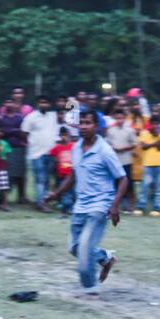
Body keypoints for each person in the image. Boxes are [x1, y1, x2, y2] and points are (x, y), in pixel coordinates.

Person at [43, 111, 127, 295]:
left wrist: (114, 206)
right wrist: (55, 194)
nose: (83, 126)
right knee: (74, 247)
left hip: (100, 205)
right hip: (81, 205)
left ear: (96, 126)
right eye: (81, 123)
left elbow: (123, 179)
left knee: (85, 248)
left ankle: (90, 289)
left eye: (88, 123)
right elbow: (73, 176)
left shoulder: (104, 150)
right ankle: (105, 258)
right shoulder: (76, 147)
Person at [22, 95, 59, 210]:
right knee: (40, 179)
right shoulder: (31, 117)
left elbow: (71, 110)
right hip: (36, 153)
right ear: (37, 104)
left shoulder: (53, 116)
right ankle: (41, 203)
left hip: (51, 153)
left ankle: (43, 200)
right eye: (41, 102)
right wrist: (32, 143)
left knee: (47, 179)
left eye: (46, 102)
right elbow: (24, 132)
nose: (44, 104)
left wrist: (71, 102)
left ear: (49, 104)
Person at [103, 110, 139, 213]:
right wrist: (112, 148)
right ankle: (114, 206)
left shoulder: (130, 130)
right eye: (117, 118)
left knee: (129, 184)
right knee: (114, 184)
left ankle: (130, 206)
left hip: (126, 160)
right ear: (115, 118)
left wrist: (124, 148)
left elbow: (135, 143)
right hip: (114, 161)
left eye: (121, 118)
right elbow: (106, 143)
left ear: (124, 118)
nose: (119, 120)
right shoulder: (111, 130)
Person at [0, 98, 29, 205]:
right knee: (6, 174)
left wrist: (9, 131)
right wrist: (14, 131)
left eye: (11, 102)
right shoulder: (2, 119)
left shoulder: (19, 118)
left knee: (20, 173)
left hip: (18, 148)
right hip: (5, 149)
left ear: (15, 105)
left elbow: (22, 132)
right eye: (7, 102)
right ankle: (2, 198)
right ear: (4, 105)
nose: (9, 104)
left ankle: (21, 197)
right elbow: (1, 132)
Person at [137, 117, 160, 215]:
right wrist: (155, 143)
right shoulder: (144, 133)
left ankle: (156, 208)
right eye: (153, 124)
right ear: (150, 124)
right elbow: (143, 147)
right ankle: (141, 207)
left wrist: (156, 137)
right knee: (145, 186)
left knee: (159, 187)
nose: (155, 126)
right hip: (147, 164)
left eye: (156, 124)